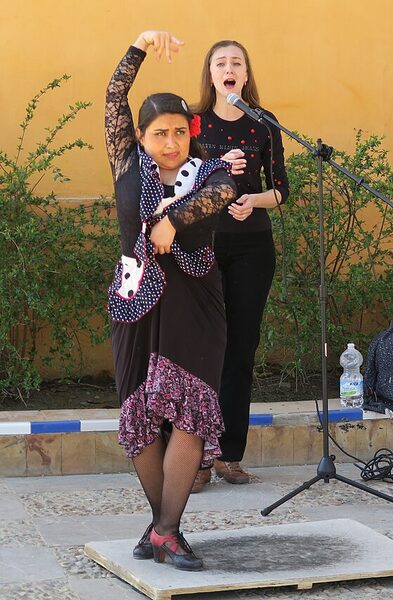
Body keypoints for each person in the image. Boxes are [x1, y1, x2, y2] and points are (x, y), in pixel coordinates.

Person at [106, 30, 237, 570]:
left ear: (192, 133)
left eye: (180, 133)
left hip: (196, 306)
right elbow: (114, 98)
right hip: (136, 302)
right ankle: (164, 530)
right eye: (159, 134)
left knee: (189, 414)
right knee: (138, 411)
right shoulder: (126, 166)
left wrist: (172, 220)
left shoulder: (213, 173)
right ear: (138, 136)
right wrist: (138, 45)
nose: (170, 143)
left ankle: (163, 529)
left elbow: (218, 197)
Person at [190, 40, 290, 492]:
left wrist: (256, 199)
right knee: (200, 351)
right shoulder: (193, 121)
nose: (229, 69)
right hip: (203, 245)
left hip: (253, 247)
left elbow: (282, 189)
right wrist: (215, 164)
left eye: (237, 63)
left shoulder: (264, 123)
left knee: (240, 351)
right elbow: (177, 177)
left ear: (246, 76)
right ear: (210, 74)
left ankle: (229, 454)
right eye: (220, 63)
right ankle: (193, 458)